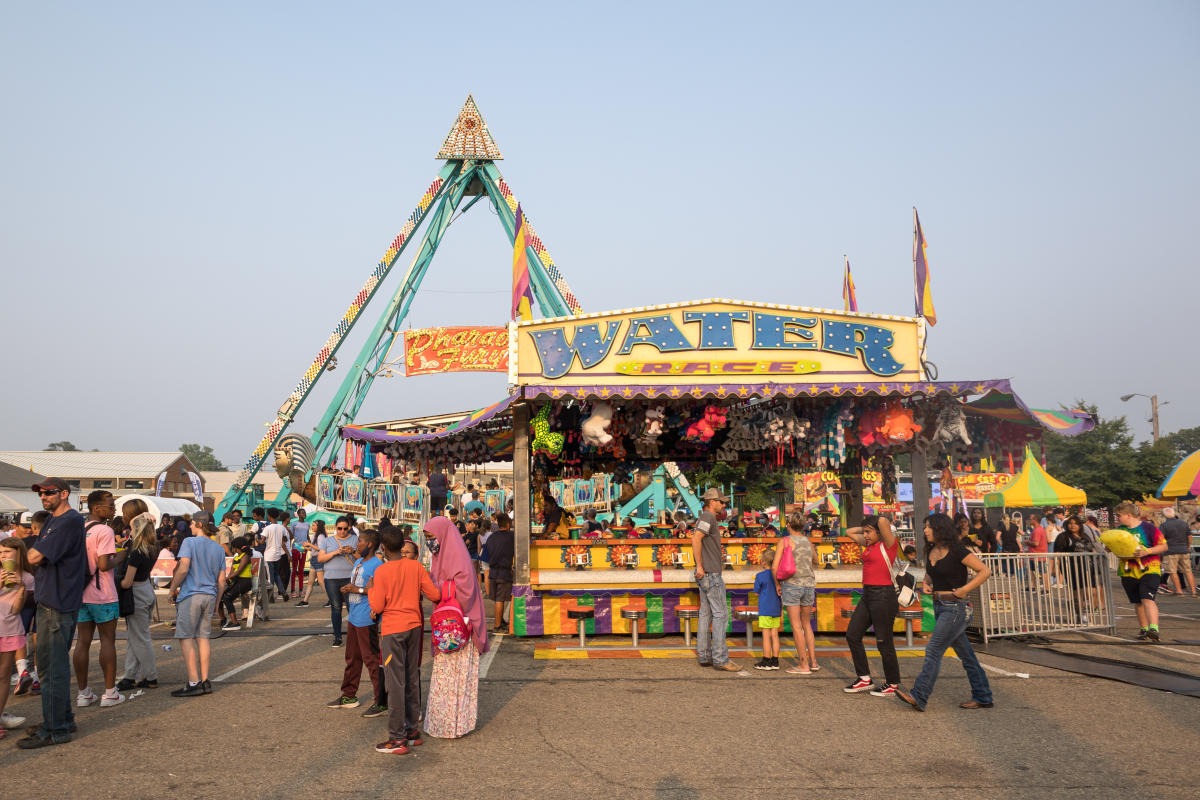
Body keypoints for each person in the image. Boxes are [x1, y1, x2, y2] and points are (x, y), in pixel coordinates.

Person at [895, 513, 994, 712]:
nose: (925, 530)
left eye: (928, 526)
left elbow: (985, 571)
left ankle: (919, 695)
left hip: (956, 608)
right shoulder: (931, 549)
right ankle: (983, 695)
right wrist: (927, 584)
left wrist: (966, 589)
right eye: (925, 526)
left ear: (940, 528)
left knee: (933, 649)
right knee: (966, 656)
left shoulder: (958, 550)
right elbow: (932, 573)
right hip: (940, 606)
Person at [19, 478, 88, 749]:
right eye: (41, 494)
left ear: (64, 494)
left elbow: (35, 556)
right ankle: (63, 719)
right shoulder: (53, 521)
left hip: (57, 605)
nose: (44, 497)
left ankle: (54, 729)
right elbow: (38, 554)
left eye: (48, 493)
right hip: (54, 601)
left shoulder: (68, 521)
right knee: (52, 667)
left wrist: (10, 558)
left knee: (51, 669)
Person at [368, 525, 440, 754]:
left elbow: (377, 606)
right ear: (402, 545)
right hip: (414, 626)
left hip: (392, 629)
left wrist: (370, 590)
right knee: (411, 677)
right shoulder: (416, 566)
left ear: (383, 548)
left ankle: (397, 738)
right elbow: (435, 595)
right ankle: (411, 731)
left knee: (395, 684)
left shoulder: (382, 572)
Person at [423, 515, 490, 738]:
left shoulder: (459, 559)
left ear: (443, 535)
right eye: (426, 537)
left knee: (457, 679)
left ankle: (456, 725)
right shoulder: (439, 557)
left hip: (461, 628)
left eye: (432, 537)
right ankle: (442, 723)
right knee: (444, 679)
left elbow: (467, 591)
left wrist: (438, 587)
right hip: (446, 629)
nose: (430, 541)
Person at [73, 490, 124, 709]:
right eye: (111, 506)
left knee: (82, 642)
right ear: (96, 508)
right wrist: (121, 556)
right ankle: (110, 692)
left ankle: (83, 693)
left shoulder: (78, 530)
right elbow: (104, 565)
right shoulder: (104, 531)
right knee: (107, 640)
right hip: (102, 593)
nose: (113, 510)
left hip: (80, 593)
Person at [167, 512, 227, 697]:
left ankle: (193, 682)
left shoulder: (189, 543)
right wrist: (217, 602)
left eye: (192, 523)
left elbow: (183, 568)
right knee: (203, 638)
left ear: (199, 524)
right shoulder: (218, 549)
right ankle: (204, 680)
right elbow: (222, 581)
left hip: (191, 595)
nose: (190, 526)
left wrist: (172, 589)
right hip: (209, 596)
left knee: (185, 637)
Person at [842, 514, 901, 697]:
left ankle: (892, 682)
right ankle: (864, 678)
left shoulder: (889, 545)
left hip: (884, 595)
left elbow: (883, 521)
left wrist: (875, 525)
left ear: (880, 532)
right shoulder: (869, 544)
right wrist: (867, 528)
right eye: (865, 532)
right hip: (868, 594)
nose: (865, 535)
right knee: (852, 635)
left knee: (883, 641)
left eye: (869, 532)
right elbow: (849, 531)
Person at [330, 529, 388, 718]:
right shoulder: (358, 561)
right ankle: (348, 695)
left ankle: (381, 701)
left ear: (370, 544)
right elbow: (358, 584)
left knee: (371, 659)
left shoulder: (377, 565)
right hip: (354, 616)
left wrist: (358, 589)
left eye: (361, 541)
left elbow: (378, 590)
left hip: (367, 618)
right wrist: (348, 588)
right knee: (352, 658)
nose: (358, 544)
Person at [691, 488, 738, 672]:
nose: (724, 505)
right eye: (721, 501)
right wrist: (700, 566)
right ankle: (720, 658)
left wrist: (699, 566)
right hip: (711, 573)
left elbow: (697, 539)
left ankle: (704, 655)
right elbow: (696, 539)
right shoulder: (708, 517)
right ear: (712, 502)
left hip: (706, 573)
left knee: (706, 614)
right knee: (721, 615)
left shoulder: (706, 518)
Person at [774, 511, 821, 675]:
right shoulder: (808, 541)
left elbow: (774, 567)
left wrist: (777, 584)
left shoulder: (785, 541)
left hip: (792, 585)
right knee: (807, 624)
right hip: (809, 585)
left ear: (788, 525)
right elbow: (816, 561)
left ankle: (803, 665)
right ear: (803, 526)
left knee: (796, 626)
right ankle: (813, 662)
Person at [115, 514, 159, 691]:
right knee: (137, 636)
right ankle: (130, 675)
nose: (130, 531)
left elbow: (126, 582)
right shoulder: (152, 549)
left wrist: (114, 581)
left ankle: (151, 676)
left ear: (137, 531)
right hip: (147, 590)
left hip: (136, 593)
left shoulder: (136, 553)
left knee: (140, 638)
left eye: (133, 529)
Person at [1113, 502, 1168, 641]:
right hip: (1128, 570)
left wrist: (1147, 551)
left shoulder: (1148, 528)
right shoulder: (1120, 530)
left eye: (1119, 515)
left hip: (1150, 568)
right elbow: (1114, 547)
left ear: (1128, 515)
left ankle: (1154, 628)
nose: (1117, 518)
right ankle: (1143, 629)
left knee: (1147, 598)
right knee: (1137, 601)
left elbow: (1164, 546)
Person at [0, 536, 34, 733]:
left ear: (18, 553)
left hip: (10, 628)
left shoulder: (28, 578)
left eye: (7, 552)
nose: (3, 556)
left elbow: (15, 610)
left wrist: (20, 587)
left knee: (3, 676)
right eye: (0, 552)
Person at [319, 516, 358, 646]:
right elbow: (321, 559)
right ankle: (337, 636)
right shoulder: (327, 540)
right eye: (339, 528)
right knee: (336, 607)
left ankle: (355, 635)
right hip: (331, 578)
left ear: (349, 528)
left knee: (352, 607)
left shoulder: (354, 539)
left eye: (345, 529)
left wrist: (352, 551)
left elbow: (361, 557)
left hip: (349, 577)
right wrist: (335, 552)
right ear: (336, 528)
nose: (342, 531)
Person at [752, 548, 781, 670]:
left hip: (765, 608)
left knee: (766, 635)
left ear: (764, 562)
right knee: (774, 634)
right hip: (776, 608)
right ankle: (775, 661)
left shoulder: (760, 576)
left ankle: (766, 660)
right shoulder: (779, 575)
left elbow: (756, 593)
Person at [487, 513, 514, 633]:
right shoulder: (511, 536)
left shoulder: (491, 537)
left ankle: (500, 620)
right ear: (508, 524)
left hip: (493, 572)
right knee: (500, 599)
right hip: (504, 572)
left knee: (498, 599)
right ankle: (497, 625)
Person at [1159, 508, 1196, 598]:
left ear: (1164, 516)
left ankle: (1179, 591)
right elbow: (1190, 536)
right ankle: (1194, 591)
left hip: (1170, 551)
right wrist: (1188, 546)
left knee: (1172, 571)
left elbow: (1160, 539)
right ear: (1174, 514)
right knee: (1188, 571)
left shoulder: (1164, 525)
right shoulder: (1183, 523)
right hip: (1184, 550)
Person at [260, 508, 289, 602]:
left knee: (270, 577)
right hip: (278, 554)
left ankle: (270, 596)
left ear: (268, 516)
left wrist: (256, 540)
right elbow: (285, 539)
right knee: (276, 575)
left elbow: (261, 541)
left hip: (269, 555)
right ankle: (283, 592)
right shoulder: (281, 527)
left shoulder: (267, 528)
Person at [298, 519, 327, 608]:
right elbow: (315, 549)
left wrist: (309, 545)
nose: (312, 527)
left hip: (318, 560)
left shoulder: (320, 536)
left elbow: (320, 548)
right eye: (312, 525)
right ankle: (305, 601)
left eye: (314, 525)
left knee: (321, 582)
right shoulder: (316, 535)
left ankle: (332, 599)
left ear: (318, 527)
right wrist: (306, 548)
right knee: (310, 582)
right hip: (314, 560)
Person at [288, 509, 310, 598]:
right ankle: (292, 590)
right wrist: (289, 550)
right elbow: (290, 537)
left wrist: (310, 543)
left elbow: (307, 535)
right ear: (298, 514)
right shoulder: (294, 524)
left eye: (304, 513)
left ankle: (301, 590)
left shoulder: (307, 524)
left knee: (301, 570)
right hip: (295, 547)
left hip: (303, 549)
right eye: (301, 513)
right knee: (294, 570)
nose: (303, 514)